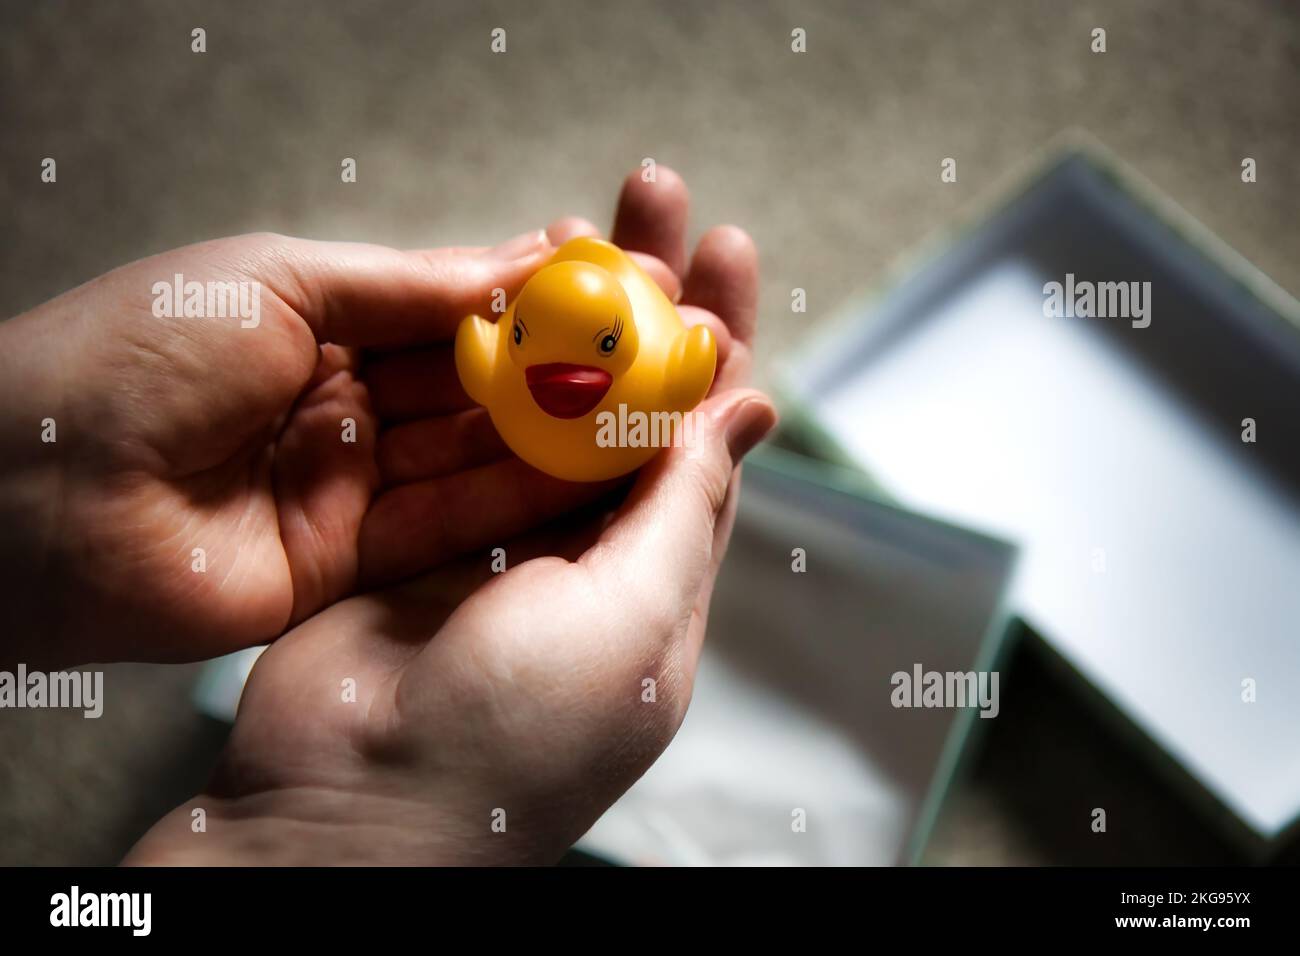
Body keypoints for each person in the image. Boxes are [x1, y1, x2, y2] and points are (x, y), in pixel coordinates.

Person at [0, 167, 777, 864]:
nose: (557, 376)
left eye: (606, 345)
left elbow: (675, 361)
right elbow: (489, 351)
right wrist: (358, 826)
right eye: (529, 342)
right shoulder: (496, 366)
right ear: (511, 341)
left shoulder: (660, 364)